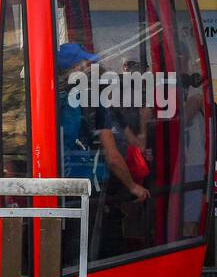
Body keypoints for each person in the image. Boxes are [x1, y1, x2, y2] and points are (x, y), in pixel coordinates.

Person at [56, 43, 150, 204]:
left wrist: (142, 127)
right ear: (76, 69)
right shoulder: (93, 102)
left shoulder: (60, 99)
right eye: (87, 64)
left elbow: (135, 144)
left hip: (66, 181)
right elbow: (112, 157)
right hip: (92, 186)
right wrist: (133, 186)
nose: (93, 68)